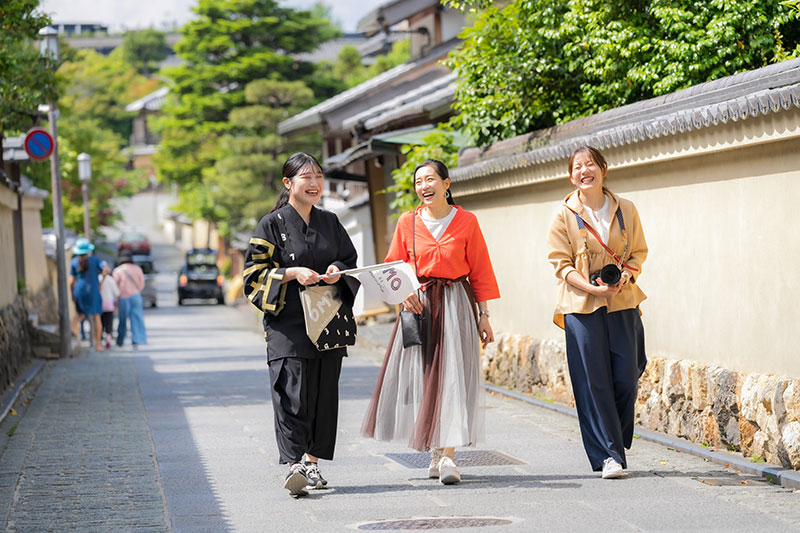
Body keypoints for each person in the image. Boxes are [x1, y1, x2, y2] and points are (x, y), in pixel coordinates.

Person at [362, 159, 500, 485]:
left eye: (430, 179)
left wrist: (484, 315)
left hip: (456, 304)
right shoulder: (407, 222)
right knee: (427, 381)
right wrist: (403, 295)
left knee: (452, 378)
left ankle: (448, 456)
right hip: (420, 307)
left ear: (446, 184)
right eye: (418, 182)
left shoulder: (467, 221)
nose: (424, 186)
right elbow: (392, 267)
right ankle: (436, 453)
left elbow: (480, 270)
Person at [243, 152, 360, 497]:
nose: (314, 184)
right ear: (288, 183)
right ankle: (294, 464)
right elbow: (252, 275)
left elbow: (349, 261)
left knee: (323, 394)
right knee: (291, 393)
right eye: (306, 177)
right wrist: (292, 273)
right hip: (288, 323)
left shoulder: (331, 221)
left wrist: (337, 270)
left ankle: (312, 463)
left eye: (318, 176)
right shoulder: (271, 225)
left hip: (327, 318)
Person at [546, 146, 648, 479]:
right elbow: (561, 265)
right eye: (577, 167)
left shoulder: (626, 209)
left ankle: (613, 438)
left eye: (590, 164)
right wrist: (593, 290)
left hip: (623, 300)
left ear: (603, 170)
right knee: (594, 381)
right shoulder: (563, 215)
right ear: (571, 176)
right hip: (580, 306)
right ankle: (609, 455)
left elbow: (638, 253)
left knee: (627, 376)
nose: (584, 170)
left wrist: (625, 277)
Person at [69, 238, 104, 351]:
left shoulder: (74, 262)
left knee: (79, 315)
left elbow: (71, 281)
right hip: (93, 291)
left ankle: (67, 335)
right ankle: (98, 344)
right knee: (96, 317)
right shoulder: (95, 260)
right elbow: (105, 270)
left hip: (80, 291)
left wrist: (72, 294)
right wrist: (101, 283)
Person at [112, 250, 147, 348]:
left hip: (123, 297)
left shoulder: (118, 270)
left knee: (122, 320)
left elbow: (114, 287)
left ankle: (120, 340)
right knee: (137, 318)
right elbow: (141, 284)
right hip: (136, 296)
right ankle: (137, 339)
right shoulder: (137, 269)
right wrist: (136, 291)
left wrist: (115, 299)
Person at [98, 262, 120, 349]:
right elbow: (117, 293)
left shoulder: (97, 279)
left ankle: (99, 341)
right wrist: (116, 303)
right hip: (109, 305)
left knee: (100, 323)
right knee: (109, 324)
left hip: (99, 305)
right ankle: (108, 340)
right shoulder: (110, 279)